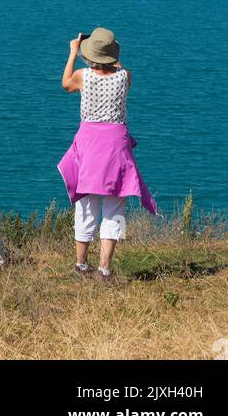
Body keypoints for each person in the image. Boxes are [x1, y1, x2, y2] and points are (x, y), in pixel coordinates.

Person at [58, 28, 156, 282]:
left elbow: (65, 84)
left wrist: (73, 51)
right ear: (113, 55)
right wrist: (109, 56)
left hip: (90, 146)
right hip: (115, 148)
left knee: (85, 207)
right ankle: (104, 270)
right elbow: (119, 70)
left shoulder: (83, 77)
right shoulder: (125, 77)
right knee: (114, 209)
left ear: (89, 55)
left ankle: (81, 265)